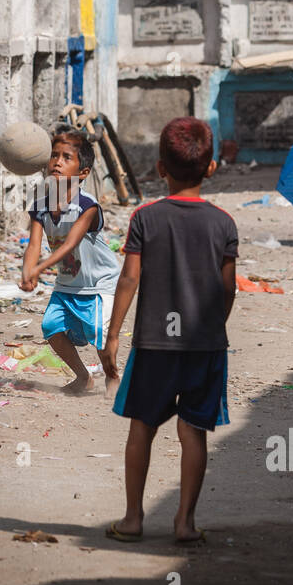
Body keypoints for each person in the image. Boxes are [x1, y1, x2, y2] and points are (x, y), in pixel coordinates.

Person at [97, 117, 237, 544]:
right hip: (204, 344)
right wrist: (211, 327)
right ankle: (184, 523)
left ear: (160, 168)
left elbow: (128, 279)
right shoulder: (224, 224)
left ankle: (134, 518)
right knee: (193, 431)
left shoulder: (145, 217)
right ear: (211, 168)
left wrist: (114, 334)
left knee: (142, 426)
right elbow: (227, 288)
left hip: (154, 344)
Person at [20, 127, 121, 394]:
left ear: (83, 173)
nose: (57, 162)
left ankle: (112, 377)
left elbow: (70, 243)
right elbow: (33, 244)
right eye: (54, 156)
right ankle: (83, 377)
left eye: (67, 157)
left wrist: (39, 270)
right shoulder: (40, 206)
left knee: (99, 332)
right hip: (68, 283)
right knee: (51, 327)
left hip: (99, 282)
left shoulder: (87, 205)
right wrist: (27, 271)